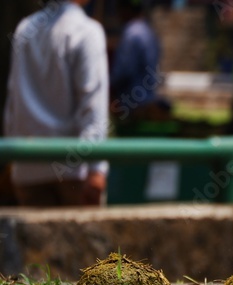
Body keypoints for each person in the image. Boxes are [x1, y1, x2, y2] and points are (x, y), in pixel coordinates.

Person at [4, 0, 109, 207]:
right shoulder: (88, 31)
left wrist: (12, 156)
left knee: (32, 240)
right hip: (74, 172)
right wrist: (96, 169)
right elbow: (93, 107)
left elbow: (12, 103)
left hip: (28, 170)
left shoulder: (25, 28)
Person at [110, 0, 161, 104]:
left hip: (130, 102)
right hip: (147, 98)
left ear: (126, 9)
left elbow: (123, 71)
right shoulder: (148, 31)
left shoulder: (131, 34)